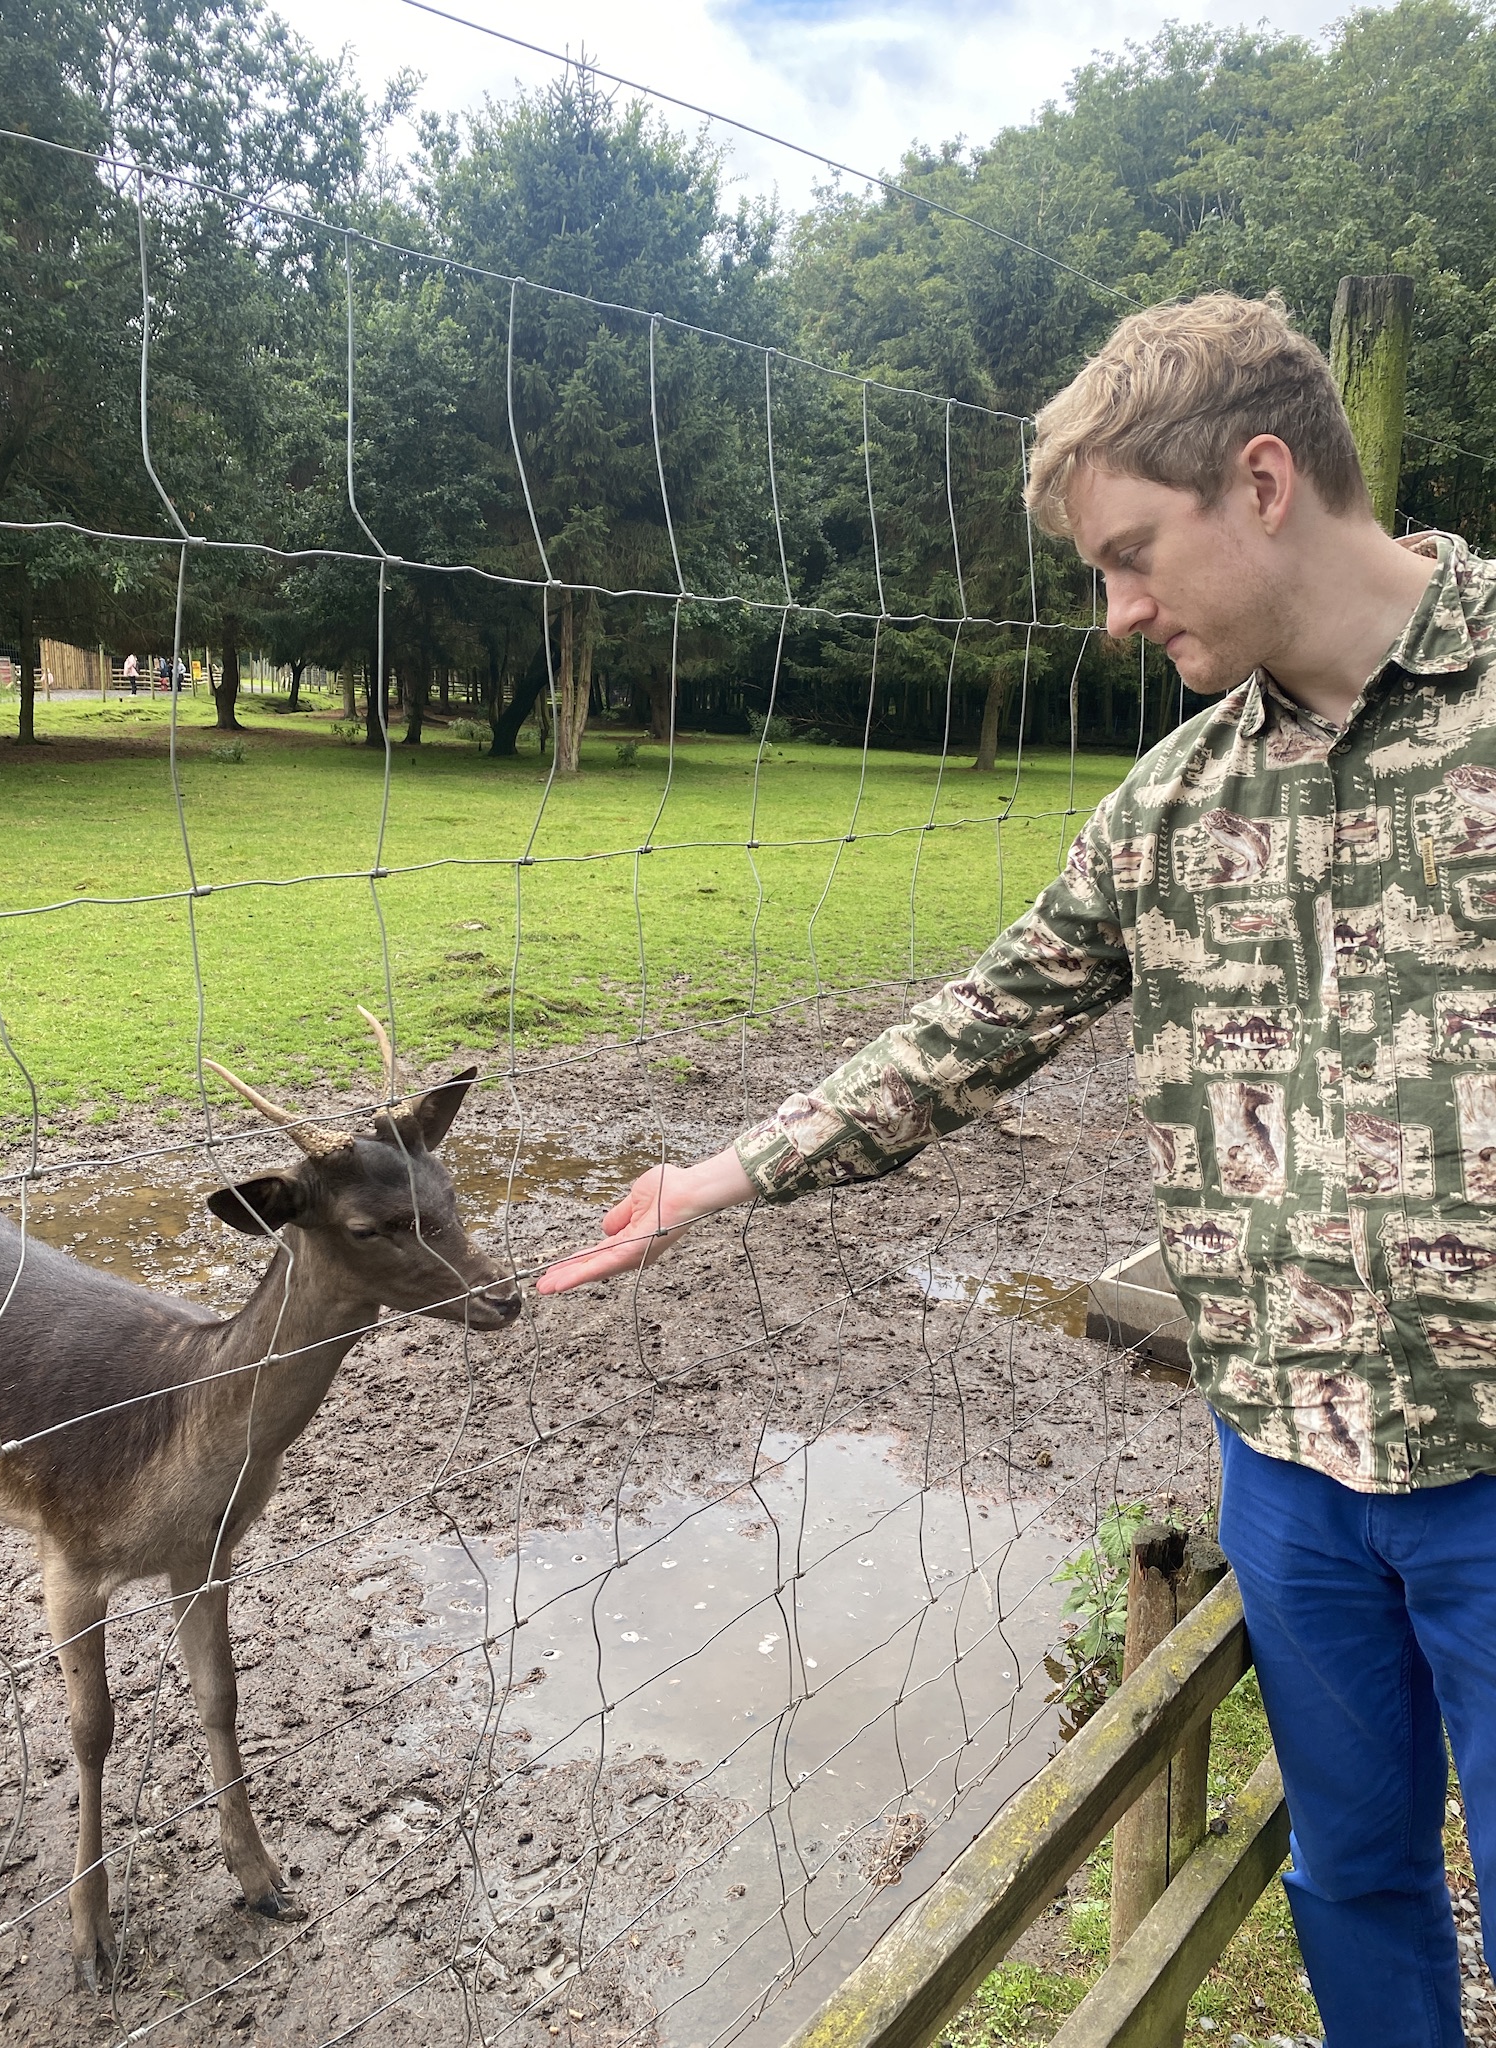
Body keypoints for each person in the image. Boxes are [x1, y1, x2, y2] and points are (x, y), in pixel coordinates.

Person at [541, 292, 1496, 2046]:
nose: (1117, 611)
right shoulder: (1169, 806)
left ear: (1262, 481)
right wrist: (714, 1179)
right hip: (1285, 1465)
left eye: (1132, 557)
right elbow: (976, 1023)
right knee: (1352, 1878)